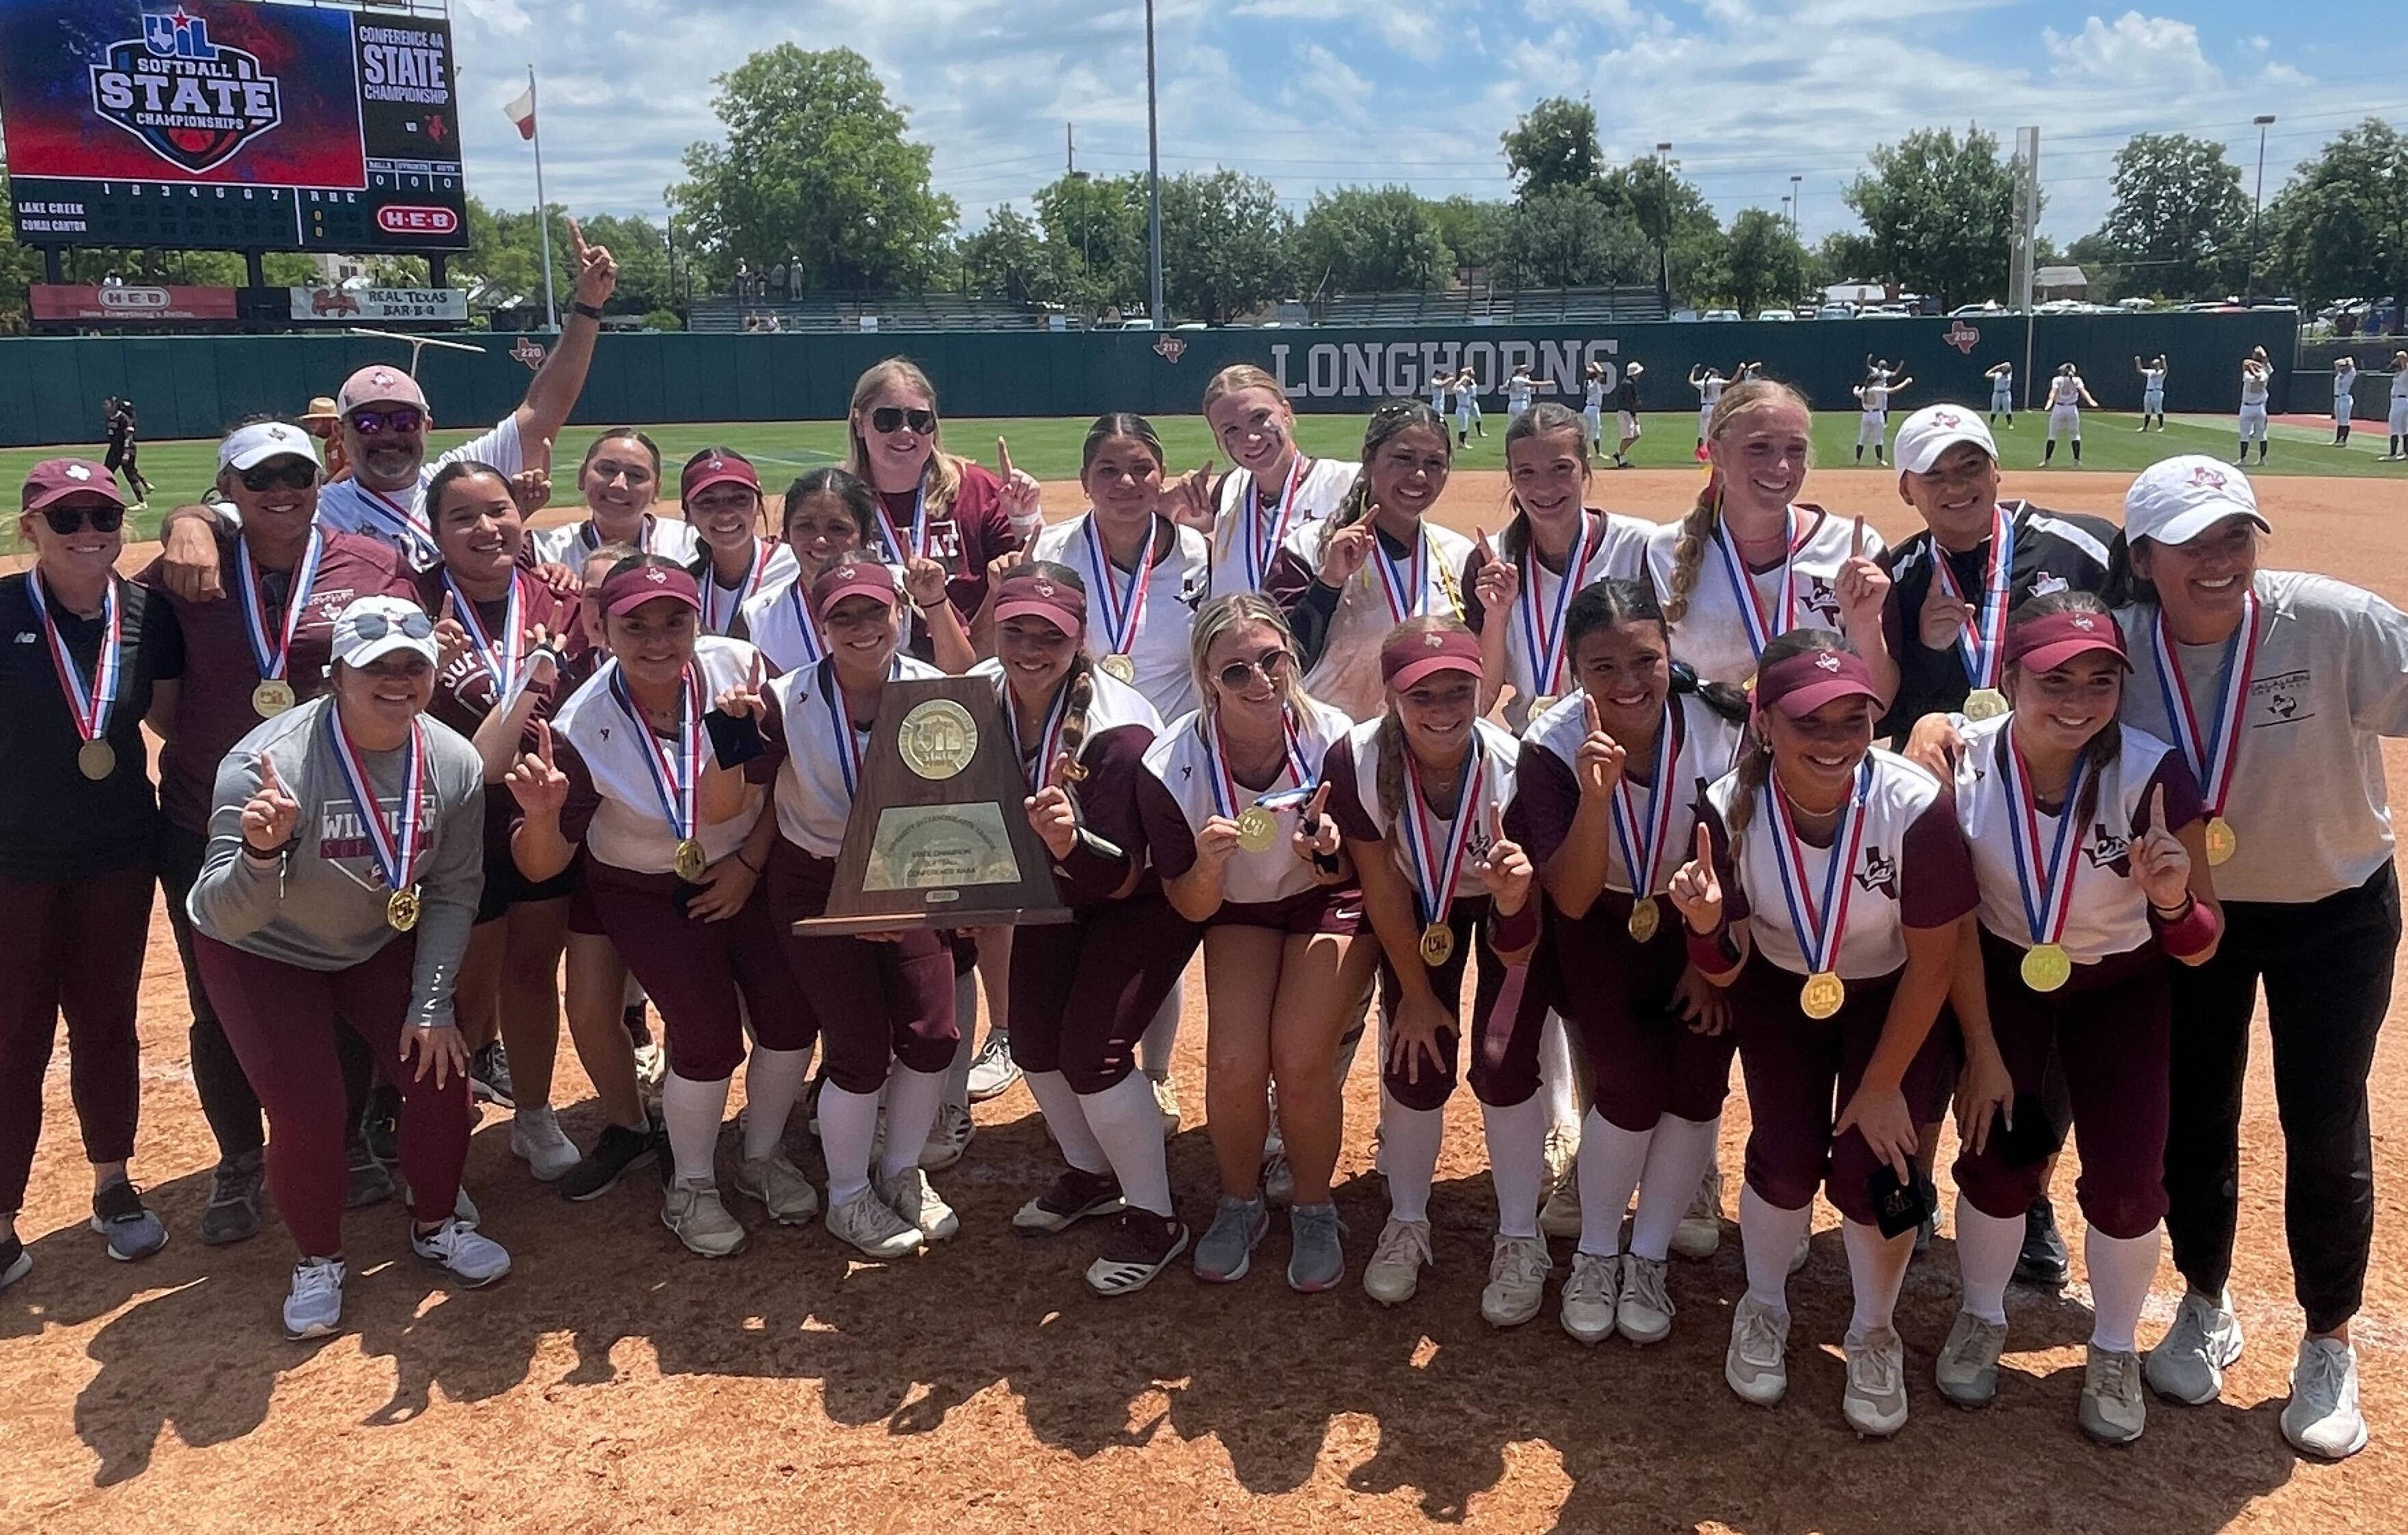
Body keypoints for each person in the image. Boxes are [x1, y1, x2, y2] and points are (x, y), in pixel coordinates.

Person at [2111, 457, 2408, 1460]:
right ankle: (2205, 1299)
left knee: (2322, 1117)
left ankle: (2327, 1340)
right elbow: (2016, 710)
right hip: (2194, 911)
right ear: (2141, 558)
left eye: (2234, 535)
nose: (2219, 559)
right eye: (2190, 542)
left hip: (2334, 908)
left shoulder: (2329, 620)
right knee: (2194, 1107)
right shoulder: (2119, 648)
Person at [1929, 593, 2221, 1446]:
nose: (2079, 700)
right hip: (2001, 979)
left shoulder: (2152, 775)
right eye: (2055, 679)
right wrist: (1980, 1047)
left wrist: (2171, 900)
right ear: (2010, 677)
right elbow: (1949, 925)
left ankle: (2114, 1347)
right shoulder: (1960, 763)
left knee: (2128, 1184)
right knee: (1995, 1159)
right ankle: (1982, 1314)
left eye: (2100, 680)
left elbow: (2201, 945)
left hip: (2119, 989)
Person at [1670, 635, 1973, 1437]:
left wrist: (1881, 1086)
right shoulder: (1726, 807)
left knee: (1883, 1164)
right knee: (1784, 1153)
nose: (1835, 741)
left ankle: (1874, 1329)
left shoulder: (1914, 805)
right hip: (1779, 991)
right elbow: (1727, 968)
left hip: (1893, 995)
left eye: (1853, 719)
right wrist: (1704, 926)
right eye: (1810, 721)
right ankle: (1763, 1304)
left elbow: (1936, 964)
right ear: (1765, 723)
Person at [187, 594, 506, 1340]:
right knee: (310, 1110)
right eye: (375, 666)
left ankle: (436, 1224)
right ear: (335, 675)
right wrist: (262, 853)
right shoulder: (266, 765)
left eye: (411, 665)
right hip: (262, 948)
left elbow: (454, 890)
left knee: (441, 1074)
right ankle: (318, 1259)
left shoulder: (453, 761)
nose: (397, 681)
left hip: (371, 938)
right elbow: (220, 913)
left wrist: (432, 1004)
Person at [139, 421, 418, 1245]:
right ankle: (239, 1160)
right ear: (228, 488)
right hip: (210, 822)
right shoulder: (184, 571)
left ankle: (346, 1137)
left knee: (339, 976)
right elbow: (162, 704)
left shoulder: (369, 565)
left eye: (297, 473)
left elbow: (405, 671)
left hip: (342, 820)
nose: (282, 491)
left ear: (319, 479)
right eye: (259, 477)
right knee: (217, 1002)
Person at [512, 557, 815, 1258]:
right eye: (635, 626)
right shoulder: (581, 722)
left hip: (747, 864)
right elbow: (544, 865)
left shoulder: (741, 669)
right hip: (644, 885)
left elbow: (777, 787)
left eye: (674, 621)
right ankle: (692, 1186)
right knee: (706, 1038)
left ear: (697, 620)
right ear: (603, 629)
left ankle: (761, 1155)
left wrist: (748, 867)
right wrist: (541, 816)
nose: (657, 640)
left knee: (791, 1018)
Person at [1876, 404, 2118, 1273]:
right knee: (1927, 1009)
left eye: (1969, 465)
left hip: (2053, 823)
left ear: (1995, 469)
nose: (1957, 486)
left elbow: (2128, 666)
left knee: (2040, 1027)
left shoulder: (2084, 546)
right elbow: (1877, 712)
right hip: (1950, 823)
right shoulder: (1896, 576)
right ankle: (1912, 1183)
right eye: (1935, 475)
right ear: (1907, 490)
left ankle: (2031, 1194)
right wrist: (1918, 662)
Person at [1504, 580, 1747, 1345]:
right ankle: (1596, 1255)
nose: (1628, 682)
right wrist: (1596, 798)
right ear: (1574, 670)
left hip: (1698, 923)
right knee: (1630, 1086)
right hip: (1601, 924)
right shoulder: (1550, 745)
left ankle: (1648, 1259)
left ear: (1669, 651)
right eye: (1602, 667)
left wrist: (1707, 955)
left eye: (1645, 659)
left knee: (1698, 1086)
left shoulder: (1722, 728)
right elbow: (1573, 896)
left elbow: (1745, 861)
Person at [723, 559, 964, 1258]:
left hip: (910, 878)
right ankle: (848, 1196)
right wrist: (728, 725)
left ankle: (900, 1171)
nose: (862, 628)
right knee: (857, 1049)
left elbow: (968, 796)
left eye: (874, 610)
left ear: (900, 612)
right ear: (819, 625)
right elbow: (727, 797)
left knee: (932, 1035)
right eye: (842, 616)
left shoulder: (935, 691)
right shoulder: (783, 698)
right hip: (818, 885)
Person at [157, 221, 617, 584]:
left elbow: (543, 409)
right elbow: (217, 517)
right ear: (341, 434)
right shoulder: (319, 506)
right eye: (368, 424)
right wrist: (187, 522)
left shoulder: (457, 482)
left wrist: (588, 307)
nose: (389, 434)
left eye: (402, 420)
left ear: (426, 427)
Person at [984, 564, 1201, 1295]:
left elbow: (1124, 876)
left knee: (1093, 1055)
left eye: (1050, 635)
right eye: (1016, 630)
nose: (1030, 648)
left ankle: (1156, 1217)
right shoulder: (981, 696)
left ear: (1079, 638)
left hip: (1144, 896)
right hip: (1059, 892)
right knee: (1033, 1042)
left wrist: (1068, 843)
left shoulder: (1119, 728)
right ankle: (1092, 1173)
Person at [1322, 621, 1541, 1321]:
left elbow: (1526, 918)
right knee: (1415, 1053)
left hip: (1502, 900)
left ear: (1482, 689)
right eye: (1423, 695)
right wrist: (1414, 995)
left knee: (1505, 1060)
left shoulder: (1518, 767)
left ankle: (1520, 1235)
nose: (1443, 710)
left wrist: (1511, 899)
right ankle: (1407, 1219)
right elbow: (1381, 884)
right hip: (1418, 898)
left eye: (1458, 691)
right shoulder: (1357, 758)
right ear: (1391, 696)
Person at [0, 459, 182, 1290]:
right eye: (66, 518)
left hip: (117, 855)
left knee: (107, 1023)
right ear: (31, 528)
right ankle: (3, 1215)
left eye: (102, 517)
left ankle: (114, 1184)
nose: (87, 533)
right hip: (15, 862)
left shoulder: (146, 614)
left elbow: (172, 719)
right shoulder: (5, 610)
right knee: (14, 1036)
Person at [1150, 596, 1362, 1290]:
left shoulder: (1335, 738)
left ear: (1291, 657)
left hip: (1326, 899)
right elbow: (1189, 904)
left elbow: (1363, 868)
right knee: (1235, 1060)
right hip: (1238, 907)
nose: (1260, 680)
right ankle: (1239, 1202)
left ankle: (1314, 1206)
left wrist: (1326, 854)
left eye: (1272, 659)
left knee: (1299, 1057)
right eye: (1236, 670)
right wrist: (1208, 868)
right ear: (1208, 678)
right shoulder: (1173, 761)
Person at [417, 460, 583, 1180]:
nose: (486, 528)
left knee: (533, 968)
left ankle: (535, 1114)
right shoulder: (411, 601)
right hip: (455, 820)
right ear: (435, 531)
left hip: (542, 807)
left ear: (522, 516)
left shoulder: (558, 597)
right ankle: (443, 1123)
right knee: (460, 983)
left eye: (498, 511)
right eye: (463, 517)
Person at [1648, 378, 1896, 695]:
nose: (1781, 466)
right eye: (1759, 447)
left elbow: (1878, 702)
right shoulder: (1663, 552)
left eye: (1796, 450)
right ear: (1716, 452)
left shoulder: (1852, 551)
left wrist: (1864, 624)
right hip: (1706, 729)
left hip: (1814, 728)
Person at [1266, 400, 1472, 724]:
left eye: (1434, 463)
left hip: (1424, 738)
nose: (1419, 475)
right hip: (1331, 741)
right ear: (1368, 458)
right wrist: (1329, 583)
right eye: (1403, 458)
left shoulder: (1458, 556)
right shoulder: (1310, 547)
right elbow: (1280, 665)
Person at [1469, 403, 1653, 732]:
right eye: (1526, 472)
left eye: (1560, 468)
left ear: (1585, 467)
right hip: (1532, 746)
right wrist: (1496, 616)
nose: (1544, 488)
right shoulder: (1490, 561)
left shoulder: (1640, 548)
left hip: (1625, 742)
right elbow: (1479, 702)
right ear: (1511, 476)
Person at [837, 357, 1042, 639]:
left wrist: (1023, 520)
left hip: (973, 654)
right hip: (869, 655)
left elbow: (1022, 573)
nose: (905, 431)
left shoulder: (977, 488)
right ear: (860, 423)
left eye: (919, 420)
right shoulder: (837, 499)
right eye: (888, 419)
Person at [1031, 413, 1213, 724]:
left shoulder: (1197, 553)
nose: (1126, 482)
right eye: (1108, 470)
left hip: (1175, 741)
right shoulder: (1047, 553)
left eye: (1142, 469)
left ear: (1162, 475)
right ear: (1085, 481)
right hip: (1083, 737)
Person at [743, 467, 974, 679]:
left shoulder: (905, 588)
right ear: (786, 535)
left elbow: (959, 673)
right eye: (806, 526)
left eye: (837, 528)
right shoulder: (759, 615)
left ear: (865, 537)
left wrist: (934, 602)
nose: (821, 540)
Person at [1196, 365, 1361, 598]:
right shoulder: (1225, 493)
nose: (1251, 438)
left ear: (1286, 412)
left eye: (1259, 417)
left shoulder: (1349, 484)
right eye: (1231, 430)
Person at [527, 429, 701, 568]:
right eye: (607, 469)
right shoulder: (546, 549)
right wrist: (520, 510)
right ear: (582, 477)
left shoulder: (691, 543)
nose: (619, 484)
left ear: (656, 489)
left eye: (636, 475)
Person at [679, 449, 798, 638]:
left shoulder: (795, 567)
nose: (725, 514)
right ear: (688, 514)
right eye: (708, 501)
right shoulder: (685, 583)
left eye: (740, 499)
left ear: (758, 504)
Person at [1851, 364, 1912, 466]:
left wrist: (1856, 388)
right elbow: (1894, 390)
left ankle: (1857, 460)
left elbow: (1856, 392)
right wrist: (1906, 382)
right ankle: (1879, 460)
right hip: (1877, 414)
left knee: (1862, 438)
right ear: (1875, 382)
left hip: (1866, 415)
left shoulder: (1865, 390)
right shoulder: (1877, 390)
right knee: (1878, 438)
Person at [2041, 363, 2097, 467]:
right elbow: (2083, 391)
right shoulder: (2076, 380)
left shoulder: (2058, 380)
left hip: (2059, 408)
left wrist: (2050, 402)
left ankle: (2047, 461)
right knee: (2075, 434)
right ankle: (2077, 460)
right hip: (2071, 408)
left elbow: (2053, 392)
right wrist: (2090, 401)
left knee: (2053, 434)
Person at [102, 396, 152, 510]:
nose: (105, 407)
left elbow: (128, 437)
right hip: (114, 450)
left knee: (130, 475)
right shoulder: (110, 418)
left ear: (114, 405)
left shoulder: (124, 419)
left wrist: (126, 453)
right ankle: (107, 497)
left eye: (107, 404)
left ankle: (142, 503)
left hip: (126, 449)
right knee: (106, 473)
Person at [2237, 348, 2272, 466]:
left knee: (2244, 435)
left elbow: (2246, 365)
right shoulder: (2264, 374)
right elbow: (2267, 368)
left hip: (2247, 407)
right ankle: (2262, 460)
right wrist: (2263, 358)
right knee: (2262, 435)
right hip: (2260, 407)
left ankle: (2243, 459)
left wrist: (2251, 367)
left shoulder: (2248, 375)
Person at [299, 396, 346, 481]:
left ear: (328, 421)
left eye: (314, 420)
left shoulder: (347, 440)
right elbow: (334, 473)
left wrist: (329, 486)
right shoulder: (329, 445)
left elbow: (350, 469)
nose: (311, 425)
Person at [1611, 362, 1645, 469]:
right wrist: (1634, 417)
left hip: (1628, 412)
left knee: (1636, 434)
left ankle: (1620, 454)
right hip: (1625, 413)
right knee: (1628, 436)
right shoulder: (1628, 384)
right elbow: (1629, 402)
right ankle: (1621, 458)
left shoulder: (1629, 383)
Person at [1689, 364, 1727, 454]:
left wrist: (1693, 371)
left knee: (1703, 432)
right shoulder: (1716, 381)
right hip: (1714, 407)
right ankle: (1713, 451)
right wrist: (1740, 370)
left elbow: (1691, 381)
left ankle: (1700, 452)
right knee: (1716, 430)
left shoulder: (1703, 382)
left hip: (1704, 408)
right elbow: (1732, 382)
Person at [2134, 355, 2169, 431]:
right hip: (2148, 392)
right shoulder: (2150, 372)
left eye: (2156, 364)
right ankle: (2145, 427)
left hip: (2157, 392)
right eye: (2153, 364)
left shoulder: (2161, 372)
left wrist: (2164, 360)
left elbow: (2166, 370)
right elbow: (2139, 370)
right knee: (2147, 410)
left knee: (2158, 410)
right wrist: (2138, 361)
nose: (2154, 366)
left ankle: (2161, 426)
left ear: (2159, 365)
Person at [2331, 355, 2358, 448]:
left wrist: (2346, 362)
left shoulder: (2350, 374)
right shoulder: (2339, 375)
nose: (2340, 368)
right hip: (2337, 398)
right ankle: (2338, 439)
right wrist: (2340, 364)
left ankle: (2343, 440)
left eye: (2342, 366)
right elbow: (2336, 363)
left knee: (2344, 420)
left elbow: (2351, 361)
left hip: (2345, 397)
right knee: (2339, 420)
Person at [1584, 362, 1608, 462]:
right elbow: (1601, 374)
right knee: (1596, 431)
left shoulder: (1590, 383)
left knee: (1587, 432)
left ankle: (1583, 453)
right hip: (1593, 410)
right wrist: (1596, 366)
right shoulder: (1594, 384)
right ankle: (1598, 453)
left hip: (1588, 409)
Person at [1453, 367, 1485, 445]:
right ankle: (1461, 443)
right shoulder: (1461, 387)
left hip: (1466, 408)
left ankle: (1462, 443)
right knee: (1463, 427)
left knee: (1465, 426)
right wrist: (1460, 382)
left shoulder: (1465, 388)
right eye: (1466, 381)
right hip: (1462, 408)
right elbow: (1454, 389)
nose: (1468, 382)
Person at [2386, 350, 2408, 460]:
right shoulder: (2399, 374)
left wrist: (2402, 358)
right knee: (2405, 428)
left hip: (2400, 400)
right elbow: (2389, 367)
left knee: (2395, 426)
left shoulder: (2406, 373)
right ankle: (2406, 453)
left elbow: (2404, 364)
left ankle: (2393, 454)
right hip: (2398, 401)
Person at [1985, 361, 2015, 428]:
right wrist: (1996, 368)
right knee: (1995, 410)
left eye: (2005, 368)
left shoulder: (2009, 375)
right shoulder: (1998, 374)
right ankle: (1992, 424)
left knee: (2007, 410)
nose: (2004, 369)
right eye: (2003, 368)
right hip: (1997, 393)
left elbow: (2008, 364)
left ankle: (2010, 424)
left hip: (2006, 393)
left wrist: (2003, 365)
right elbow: (1987, 375)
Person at [1506, 361, 1535, 426]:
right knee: (1523, 423)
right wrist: (1548, 383)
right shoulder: (1520, 379)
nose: (1526, 371)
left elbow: (1505, 387)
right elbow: (1532, 384)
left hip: (1512, 403)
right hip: (1521, 404)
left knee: (1513, 424)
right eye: (1524, 370)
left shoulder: (1512, 379)